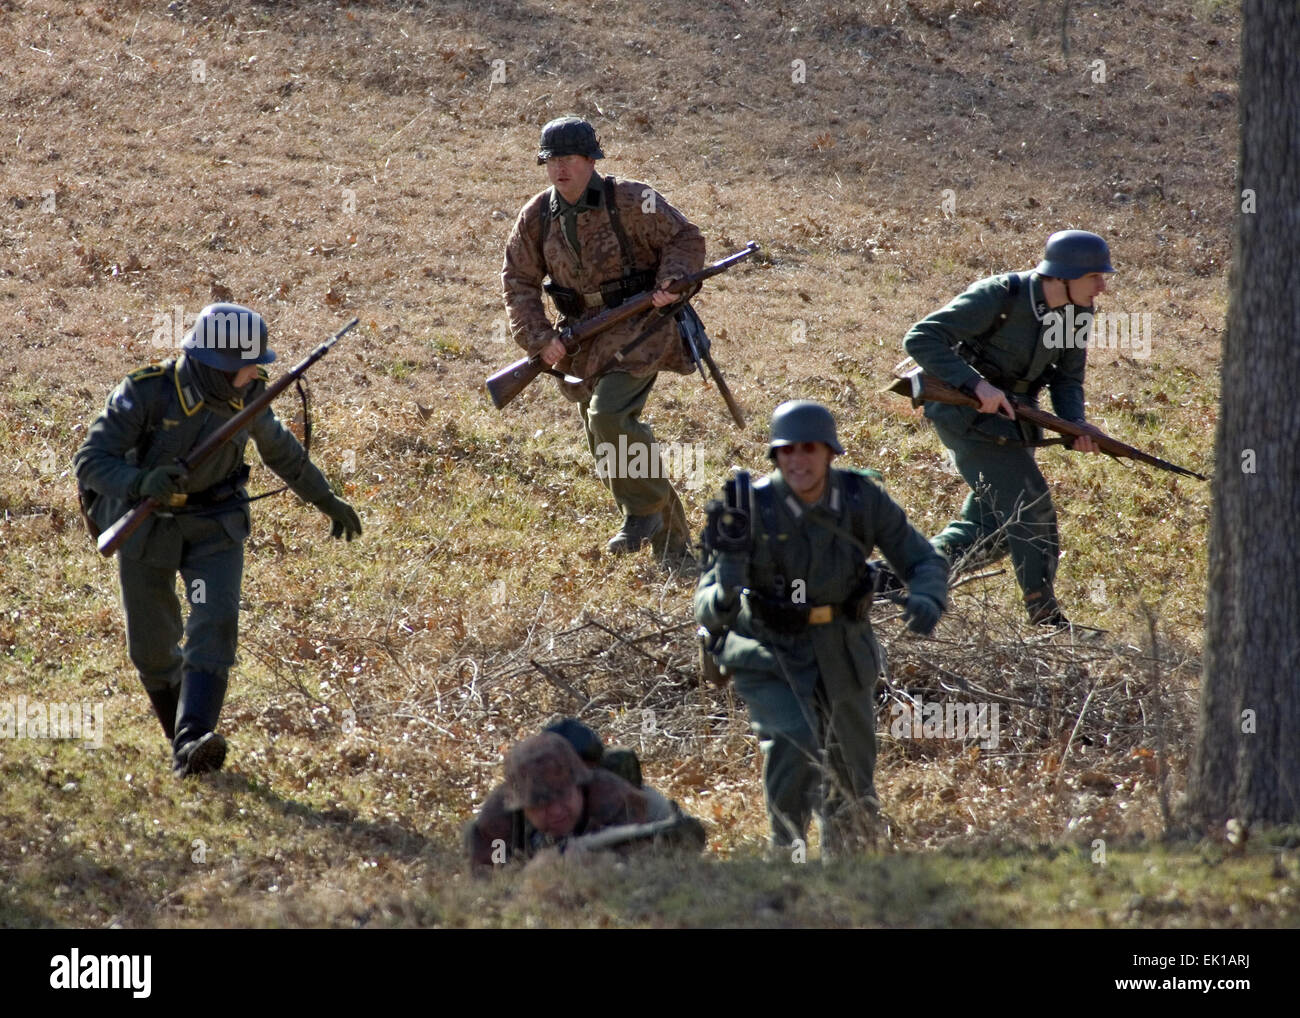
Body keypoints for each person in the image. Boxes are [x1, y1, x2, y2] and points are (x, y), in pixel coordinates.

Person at [74, 303, 362, 777]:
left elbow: (282, 454)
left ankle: (194, 739)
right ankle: (181, 741)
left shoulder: (249, 398)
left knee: (216, 618)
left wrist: (325, 498)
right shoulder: (145, 393)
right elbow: (91, 459)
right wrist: (140, 482)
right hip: (146, 524)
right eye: (247, 365)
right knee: (151, 647)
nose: (257, 371)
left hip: (215, 523)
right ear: (214, 365)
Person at [694, 401, 948, 854]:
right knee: (794, 737)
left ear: (829, 452)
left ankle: (846, 867)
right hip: (767, 648)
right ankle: (786, 849)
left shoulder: (860, 499)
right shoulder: (748, 507)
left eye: (809, 449)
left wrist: (927, 595)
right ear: (775, 456)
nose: (798, 460)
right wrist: (725, 593)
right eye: (786, 450)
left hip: (843, 647)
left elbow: (921, 557)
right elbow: (707, 600)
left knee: (852, 769)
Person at [501, 115, 707, 560]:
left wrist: (672, 280)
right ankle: (674, 549)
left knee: (609, 417)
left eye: (570, 158)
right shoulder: (536, 216)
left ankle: (641, 513)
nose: (560, 168)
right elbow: (518, 281)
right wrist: (540, 340)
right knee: (607, 442)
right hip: (583, 338)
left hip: (644, 324)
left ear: (591, 160)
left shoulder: (634, 198)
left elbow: (686, 239)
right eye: (552, 159)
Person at [902, 230, 1113, 625]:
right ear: (1062, 276)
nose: (1102, 286)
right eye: (1094, 277)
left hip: (1017, 418)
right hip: (965, 412)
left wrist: (1075, 425)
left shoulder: (1077, 312)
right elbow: (922, 337)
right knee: (1029, 503)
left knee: (992, 529)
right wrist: (976, 385)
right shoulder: (999, 295)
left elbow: (1067, 379)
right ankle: (1044, 614)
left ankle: (897, 581)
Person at [464, 722, 705, 868]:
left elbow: (677, 850)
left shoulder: (617, 799)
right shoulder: (499, 819)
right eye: (541, 804)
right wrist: (530, 878)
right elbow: (486, 887)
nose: (556, 811)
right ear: (522, 806)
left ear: (580, 785)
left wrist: (600, 865)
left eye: (562, 796)